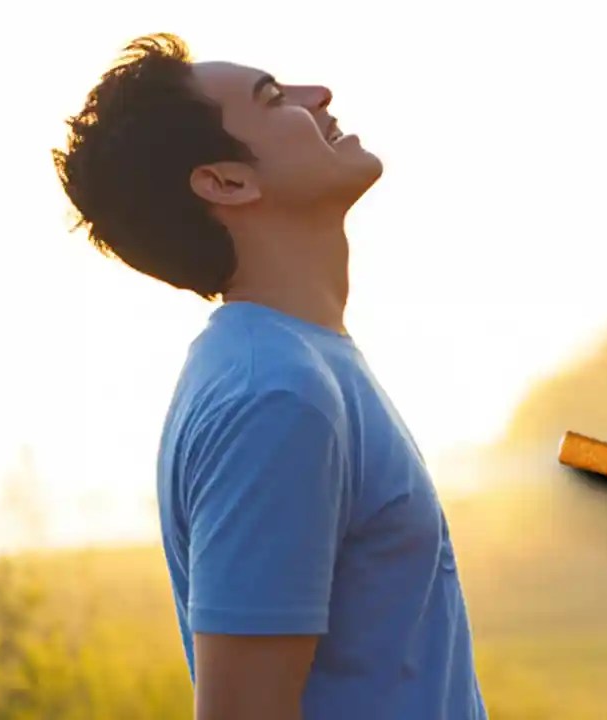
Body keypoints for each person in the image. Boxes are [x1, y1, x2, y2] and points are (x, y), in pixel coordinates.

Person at [51, 33, 487, 719]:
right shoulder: (276, 397)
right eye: (274, 98)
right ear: (227, 181)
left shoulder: (299, 366)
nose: (320, 97)